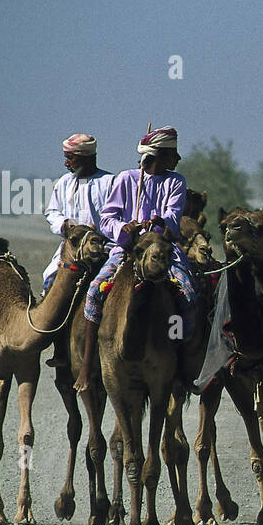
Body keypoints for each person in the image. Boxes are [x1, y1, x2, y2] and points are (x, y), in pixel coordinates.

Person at [74, 126, 197, 391]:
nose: (177, 159)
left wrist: (162, 223)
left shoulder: (176, 182)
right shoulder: (127, 179)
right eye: (172, 153)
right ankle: (87, 365)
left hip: (164, 252)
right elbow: (107, 218)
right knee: (95, 291)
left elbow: (174, 220)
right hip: (128, 250)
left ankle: (182, 360)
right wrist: (123, 229)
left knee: (187, 293)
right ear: (158, 155)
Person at [42, 133, 114, 293]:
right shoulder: (64, 182)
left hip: (103, 249)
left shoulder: (110, 182)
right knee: (49, 283)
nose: (66, 163)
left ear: (86, 157)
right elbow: (52, 211)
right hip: (72, 249)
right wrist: (64, 224)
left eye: (70, 158)